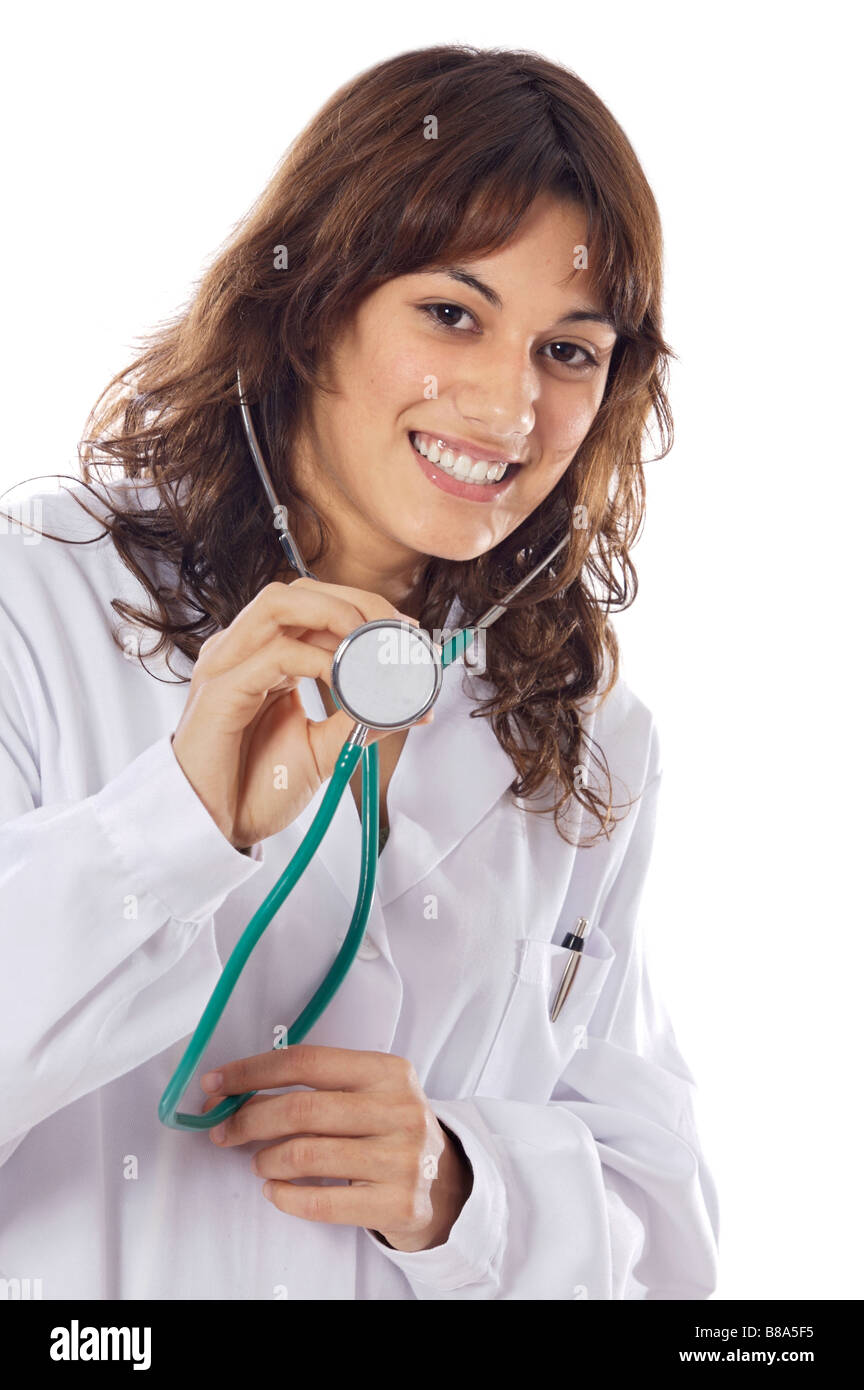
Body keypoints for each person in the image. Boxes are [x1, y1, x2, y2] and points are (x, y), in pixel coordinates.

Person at [0, 43, 719, 1300]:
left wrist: (461, 1185)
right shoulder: (41, 598)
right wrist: (176, 822)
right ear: (312, 301)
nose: (508, 407)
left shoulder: (589, 734)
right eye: (452, 313)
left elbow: (666, 1244)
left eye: (570, 351)